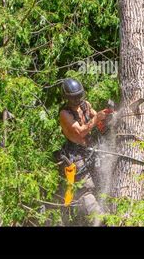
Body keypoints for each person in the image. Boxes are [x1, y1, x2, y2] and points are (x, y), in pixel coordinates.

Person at [58, 78, 111, 226]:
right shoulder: (65, 113)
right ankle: (98, 221)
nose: (77, 99)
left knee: (102, 181)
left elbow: (97, 118)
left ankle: (107, 214)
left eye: (78, 96)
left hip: (90, 151)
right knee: (85, 189)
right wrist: (96, 119)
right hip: (76, 155)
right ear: (67, 98)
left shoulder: (85, 105)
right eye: (73, 97)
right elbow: (80, 131)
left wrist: (106, 116)